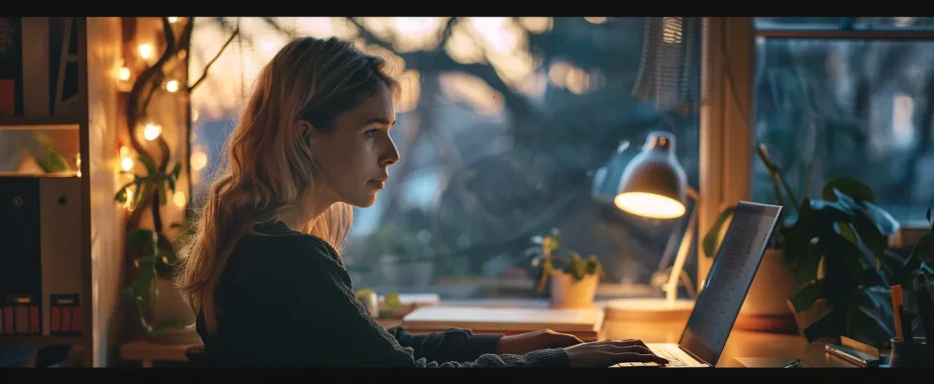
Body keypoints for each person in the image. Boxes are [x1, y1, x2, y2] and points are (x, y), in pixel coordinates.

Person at [174, 36, 669, 368]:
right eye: (371, 133)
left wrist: (504, 342)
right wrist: (560, 362)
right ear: (307, 137)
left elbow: (377, 345)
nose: (391, 155)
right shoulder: (289, 260)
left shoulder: (261, 243)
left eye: (389, 132)